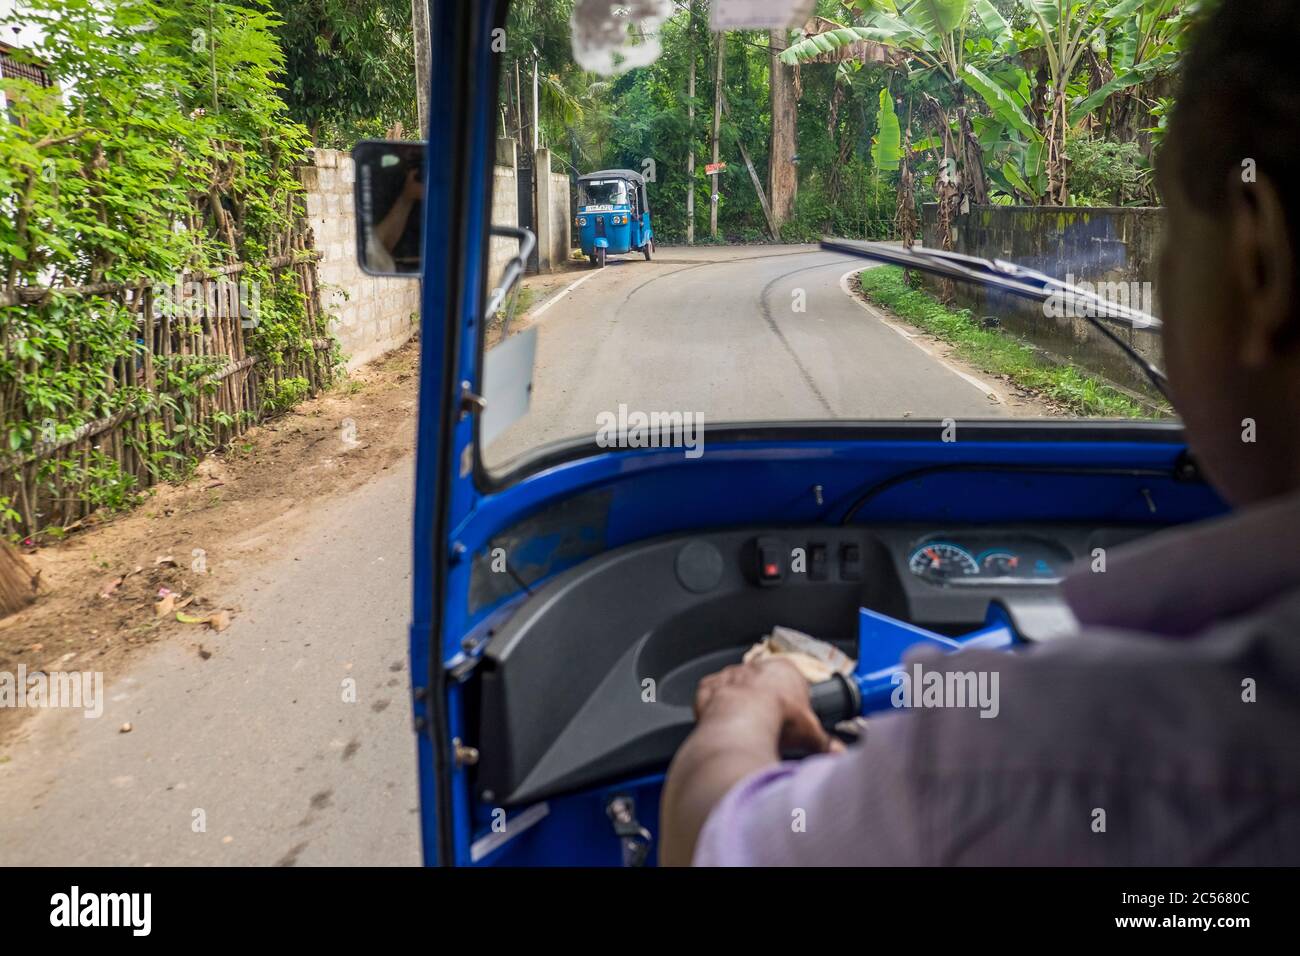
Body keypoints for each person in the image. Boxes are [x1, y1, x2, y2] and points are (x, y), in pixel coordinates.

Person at [660, 0, 1300, 866]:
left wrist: (745, 703)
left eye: (1172, 242)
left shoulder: (1030, 764)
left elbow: (713, 837)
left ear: (1259, 263)